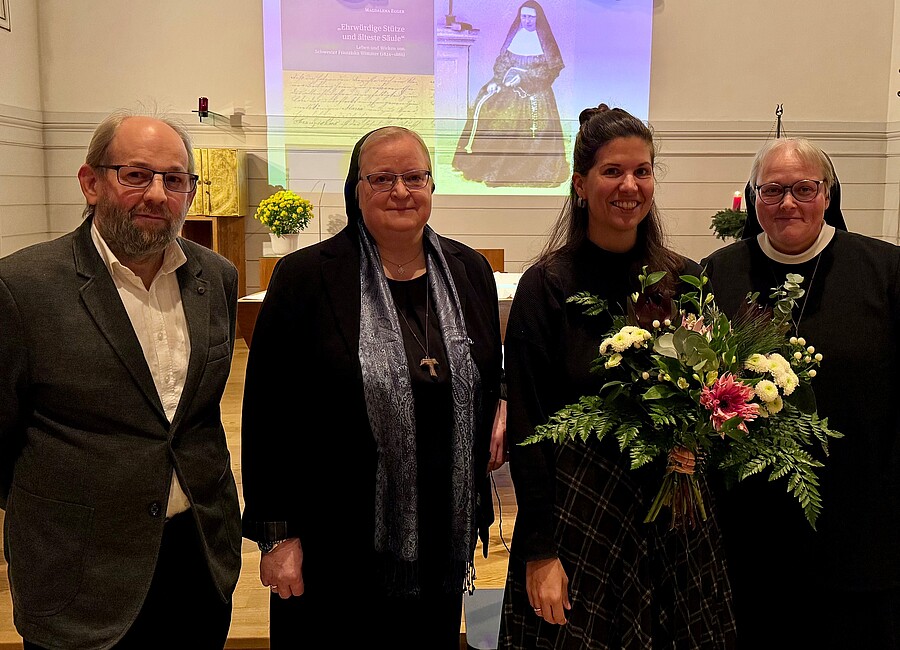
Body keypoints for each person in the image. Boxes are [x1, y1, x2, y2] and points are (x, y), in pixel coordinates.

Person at [240, 126, 506, 649]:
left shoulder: (468, 270)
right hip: (333, 540)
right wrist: (278, 535)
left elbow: (487, 368)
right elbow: (268, 412)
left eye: (414, 177)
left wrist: (500, 402)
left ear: (431, 186)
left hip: (438, 539)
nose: (400, 191)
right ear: (356, 189)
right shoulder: (305, 276)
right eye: (382, 178)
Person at [0, 110, 242, 649]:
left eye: (174, 179)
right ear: (91, 183)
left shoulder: (216, 277)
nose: (157, 194)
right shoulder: (21, 288)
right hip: (80, 578)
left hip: (198, 562)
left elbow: (196, 419)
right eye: (135, 175)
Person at [498, 104, 737, 649]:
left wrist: (699, 443)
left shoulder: (686, 279)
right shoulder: (547, 287)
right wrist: (539, 551)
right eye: (612, 171)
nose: (630, 186)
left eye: (642, 171)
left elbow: (713, 397)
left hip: (674, 517)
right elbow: (529, 427)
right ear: (580, 184)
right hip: (582, 517)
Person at [702, 138, 900, 649]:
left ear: (828, 194)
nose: (787, 203)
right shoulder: (718, 274)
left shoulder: (886, 271)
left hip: (859, 523)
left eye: (804, 189)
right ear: (754, 197)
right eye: (772, 190)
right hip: (750, 529)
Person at [452, 0, 569, 187]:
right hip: (508, 89)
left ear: (538, 19)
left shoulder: (544, 41)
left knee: (537, 129)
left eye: (531, 17)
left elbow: (551, 70)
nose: (527, 20)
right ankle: (489, 166)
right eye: (524, 16)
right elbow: (503, 62)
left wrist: (525, 78)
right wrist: (496, 81)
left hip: (535, 91)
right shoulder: (516, 36)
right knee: (489, 108)